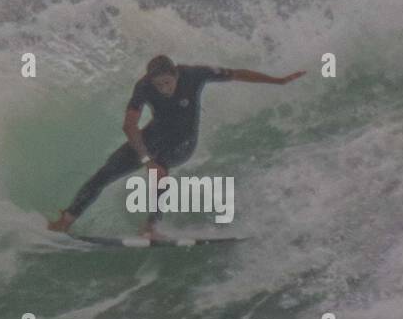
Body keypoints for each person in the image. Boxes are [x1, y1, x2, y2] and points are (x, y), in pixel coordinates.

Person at [48, 55, 305, 238]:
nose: (164, 89)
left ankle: (151, 227)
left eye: (167, 83)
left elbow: (237, 74)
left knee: (160, 169)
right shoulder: (144, 86)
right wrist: (145, 158)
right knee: (105, 172)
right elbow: (129, 126)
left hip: (184, 142)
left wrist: (278, 81)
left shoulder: (195, 74)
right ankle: (66, 221)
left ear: (176, 75)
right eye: (159, 85)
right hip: (154, 136)